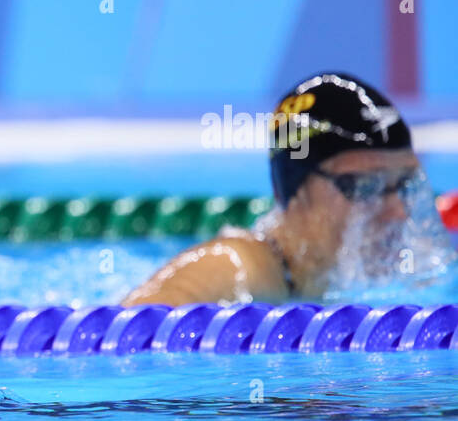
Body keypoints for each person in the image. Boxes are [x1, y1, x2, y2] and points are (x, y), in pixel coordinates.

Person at [125, 72, 448, 306]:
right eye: (364, 187)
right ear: (291, 190)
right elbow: (124, 340)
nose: (396, 211)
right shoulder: (237, 268)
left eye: (402, 185)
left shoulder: (404, 270)